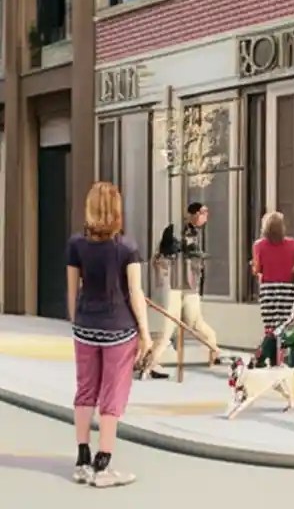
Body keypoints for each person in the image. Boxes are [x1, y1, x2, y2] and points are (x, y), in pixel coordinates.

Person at [68, 182, 153, 487]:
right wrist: (145, 333)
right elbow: (135, 292)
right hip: (119, 329)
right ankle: (103, 467)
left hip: (85, 328)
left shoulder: (76, 244)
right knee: (111, 396)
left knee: (85, 391)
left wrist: (76, 322)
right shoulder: (127, 248)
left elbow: (71, 291)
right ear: (117, 210)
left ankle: (81, 461)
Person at [146, 203, 220, 376]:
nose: (206, 216)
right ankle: (150, 363)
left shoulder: (195, 232)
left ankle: (214, 349)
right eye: (203, 212)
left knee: (194, 322)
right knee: (170, 325)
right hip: (177, 283)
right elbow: (170, 253)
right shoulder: (179, 230)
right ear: (193, 214)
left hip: (188, 284)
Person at [252, 212, 294, 334]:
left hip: (268, 290)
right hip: (287, 290)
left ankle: (270, 350)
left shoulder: (259, 245)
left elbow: (257, 269)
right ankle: (283, 351)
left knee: (269, 327)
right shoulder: (293, 244)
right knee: (287, 325)